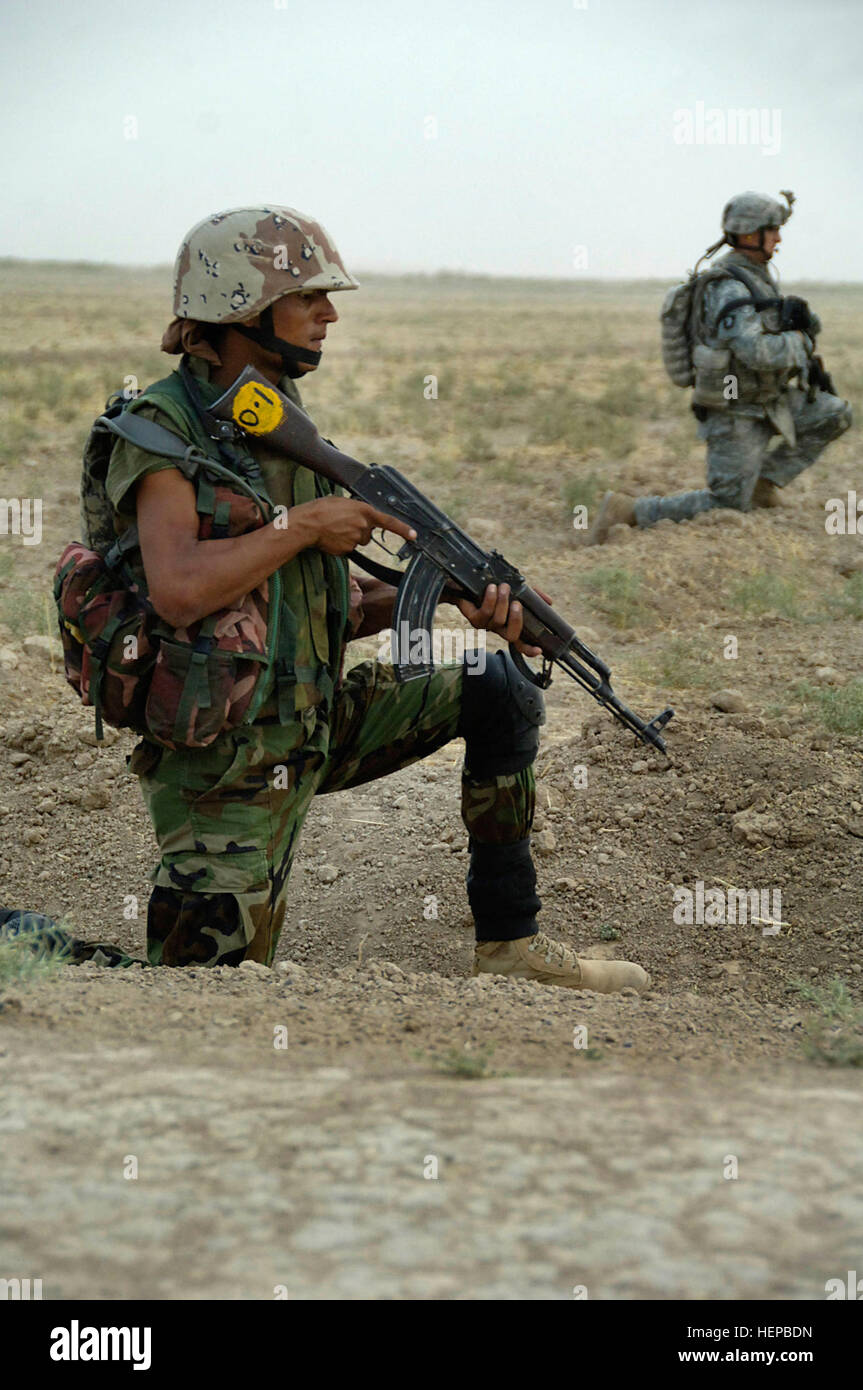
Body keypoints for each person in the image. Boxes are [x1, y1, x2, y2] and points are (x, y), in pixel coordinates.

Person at [38, 205, 651, 992]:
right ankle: (21, 942)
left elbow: (313, 599)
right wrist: (301, 525)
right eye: (309, 298)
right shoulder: (161, 431)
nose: (329, 314)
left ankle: (510, 946)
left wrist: (446, 600)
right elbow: (181, 590)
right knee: (197, 991)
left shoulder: (279, 422)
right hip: (228, 764)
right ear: (242, 310)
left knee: (495, 690)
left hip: (316, 722)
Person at [585, 191, 852, 543]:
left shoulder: (756, 276)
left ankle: (763, 485)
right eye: (771, 230)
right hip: (735, 412)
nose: (779, 238)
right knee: (725, 504)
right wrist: (800, 342)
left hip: (769, 401)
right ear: (748, 235)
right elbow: (754, 350)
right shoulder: (727, 285)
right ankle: (629, 510)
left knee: (835, 414)